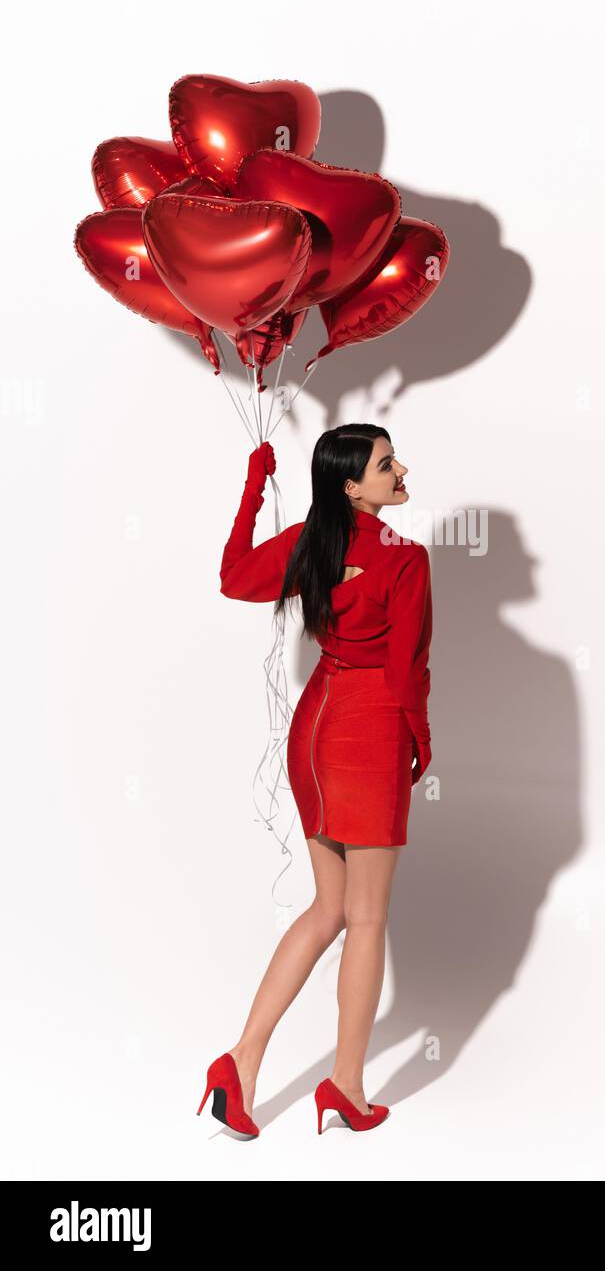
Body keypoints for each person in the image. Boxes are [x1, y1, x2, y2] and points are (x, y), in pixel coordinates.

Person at [196, 424, 432, 1137]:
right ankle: (347, 1089)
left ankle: (239, 1062)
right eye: (386, 464)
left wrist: (251, 487)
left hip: (314, 728)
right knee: (364, 919)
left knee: (328, 909)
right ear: (351, 485)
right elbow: (406, 669)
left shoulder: (313, 540)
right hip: (369, 728)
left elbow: (232, 577)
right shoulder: (405, 559)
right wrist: (420, 744)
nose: (401, 470)